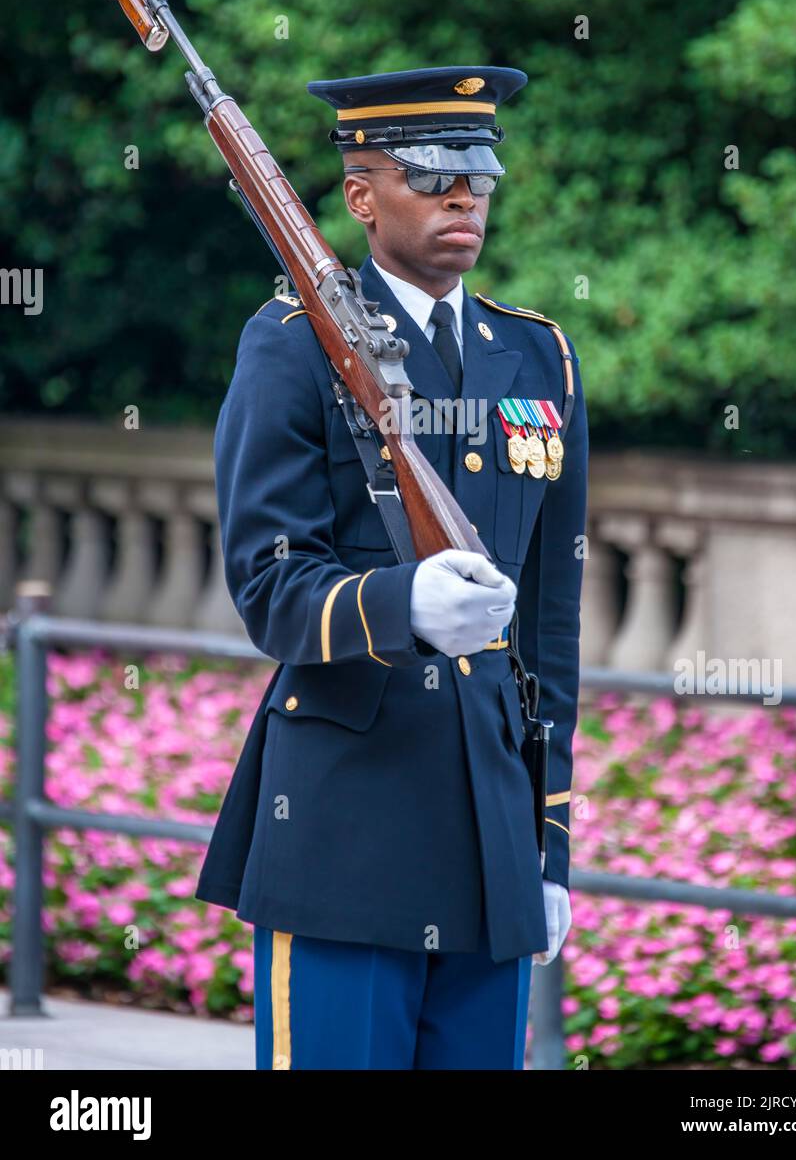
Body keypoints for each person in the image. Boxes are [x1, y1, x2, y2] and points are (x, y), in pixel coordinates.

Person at [195, 65, 588, 1069]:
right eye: (430, 178)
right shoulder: (288, 347)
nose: (464, 198)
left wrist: (545, 843)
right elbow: (268, 587)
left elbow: (547, 623)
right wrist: (399, 601)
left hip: (489, 838)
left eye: (477, 178)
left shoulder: (535, 357)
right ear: (360, 196)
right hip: (344, 834)